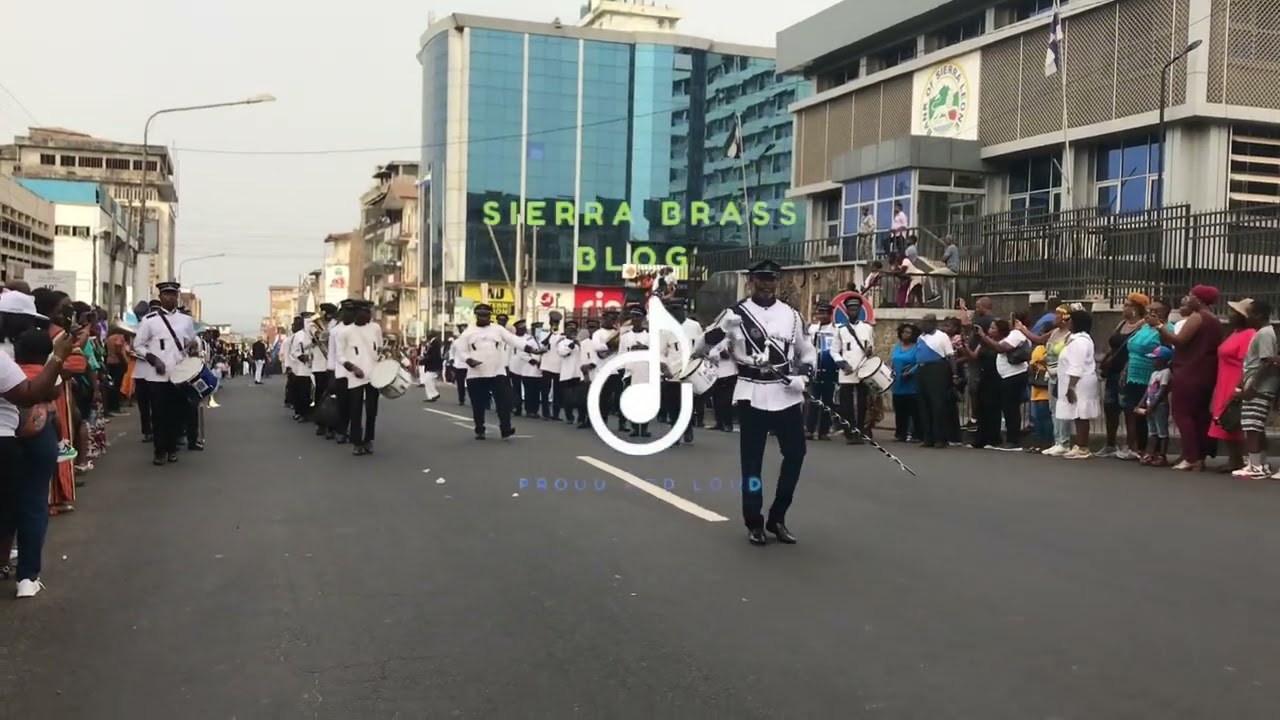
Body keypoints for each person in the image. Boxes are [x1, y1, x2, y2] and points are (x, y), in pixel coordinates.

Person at [722, 259, 817, 546]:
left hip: (785, 394)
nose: (766, 284)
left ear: (778, 281)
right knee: (752, 463)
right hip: (751, 393)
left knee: (796, 454)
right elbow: (710, 349)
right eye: (761, 278)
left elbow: (807, 351)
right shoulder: (734, 314)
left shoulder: (791, 315)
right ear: (751, 281)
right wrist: (724, 340)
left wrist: (804, 375)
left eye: (772, 278)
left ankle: (778, 516)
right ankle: (754, 521)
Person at [0, 320, 78, 598]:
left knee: (6, 508)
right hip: (33, 434)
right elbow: (45, 392)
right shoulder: (40, 369)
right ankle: (27, 578)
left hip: (9, 439)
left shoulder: (9, 360)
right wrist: (58, 359)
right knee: (33, 502)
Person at [1150, 286, 1224, 471]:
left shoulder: (1198, 317)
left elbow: (1179, 341)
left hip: (1190, 370)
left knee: (1182, 413)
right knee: (1199, 414)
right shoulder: (1214, 320)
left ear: (1199, 300)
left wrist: (1159, 325)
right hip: (1206, 371)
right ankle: (1199, 455)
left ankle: (1192, 457)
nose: (1187, 298)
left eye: (1191, 296)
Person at [133, 281, 198, 466]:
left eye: (173, 294)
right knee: (159, 415)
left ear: (177, 297)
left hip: (179, 374)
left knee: (176, 414)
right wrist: (153, 359)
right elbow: (138, 345)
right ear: (160, 297)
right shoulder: (150, 320)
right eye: (166, 294)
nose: (170, 297)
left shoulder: (186, 320)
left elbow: (191, 341)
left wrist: (192, 347)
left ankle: (172, 450)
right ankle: (159, 451)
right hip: (157, 375)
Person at [455, 303, 541, 440]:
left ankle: (505, 428)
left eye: (486, 315)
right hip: (476, 373)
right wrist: (469, 360)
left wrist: (531, 350)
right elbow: (461, 350)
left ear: (490, 316)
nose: (484, 318)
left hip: (497, 372)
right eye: (481, 315)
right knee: (478, 404)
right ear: (476, 315)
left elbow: (514, 340)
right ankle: (480, 429)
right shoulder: (468, 332)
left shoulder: (498, 330)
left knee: (504, 402)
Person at [1208, 300, 1257, 473]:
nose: (1229, 315)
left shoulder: (1249, 334)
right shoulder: (1235, 333)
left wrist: (1240, 386)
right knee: (1224, 421)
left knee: (1232, 420)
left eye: (1233, 312)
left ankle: (1239, 459)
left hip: (1235, 380)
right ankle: (1234, 458)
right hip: (1224, 380)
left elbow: (1248, 363)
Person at [1230, 300, 1276, 480]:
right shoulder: (1263, 333)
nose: (1246, 317)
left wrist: (1253, 386)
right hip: (1258, 384)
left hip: (1259, 386)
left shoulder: (1264, 334)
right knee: (1255, 424)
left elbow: (1265, 362)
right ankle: (1259, 463)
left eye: (1249, 313)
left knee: (1251, 426)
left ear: (1258, 315)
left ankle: (1255, 465)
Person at [337, 300, 383, 455]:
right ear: (357, 314)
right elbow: (340, 356)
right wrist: (352, 367)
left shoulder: (376, 328)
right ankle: (357, 442)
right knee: (355, 411)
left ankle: (369, 440)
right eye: (366, 312)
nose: (369, 316)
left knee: (372, 410)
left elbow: (380, 348)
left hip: (374, 375)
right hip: (355, 377)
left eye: (369, 312)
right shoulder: (345, 332)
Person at [829, 295, 875, 444]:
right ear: (847, 311)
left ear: (859, 310)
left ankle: (860, 431)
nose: (853, 311)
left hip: (863, 370)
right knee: (846, 404)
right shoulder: (840, 329)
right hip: (847, 370)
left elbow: (872, 346)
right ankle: (849, 432)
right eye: (850, 309)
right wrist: (842, 364)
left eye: (856, 308)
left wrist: (870, 351)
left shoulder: (868, 328)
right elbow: (834, 350)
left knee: (862, 403)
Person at [1056, 309, 1101, 459]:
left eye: (1070, 320)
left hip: (1080, 382)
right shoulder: (1075, 339)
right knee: (1077, 411)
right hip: (1077, 380)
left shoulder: (1080, 342)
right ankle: (1080, 444)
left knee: (1082, 412)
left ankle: (1083, 446)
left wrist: (1070, 387)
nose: (1067, 323)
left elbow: (1076, 365)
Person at [914, 313, 958, 448]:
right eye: (922, 322)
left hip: (938, 369)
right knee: (924, 404)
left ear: (933, 323)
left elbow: (950, 356)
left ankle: (941, 438)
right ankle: (928, 437)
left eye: (926, 323)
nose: (923, 325)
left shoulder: (942, 336)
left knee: (937, 404)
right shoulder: (920, 338)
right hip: (922, 370)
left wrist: (954, 374)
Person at [805, 303, 839, 440]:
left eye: (825, 313)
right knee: (813, 400)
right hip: (814, 368)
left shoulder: (836, 330)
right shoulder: (812, 329)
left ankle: (824, 431)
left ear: (830, 315)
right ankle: (810, 429)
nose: (822, 316)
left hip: (829, 368)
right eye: (820, 313)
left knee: (827, 401)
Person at [619, 305, 653, 438]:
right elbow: (621, 354)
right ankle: (634, 427)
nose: (635, 319)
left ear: (643, 319)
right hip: (630, 372)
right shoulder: (625, 336)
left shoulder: (650, 336)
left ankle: (644, 428)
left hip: (646, 372)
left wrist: (645, 348)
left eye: (638, 317)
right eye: (633, 317)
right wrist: (622, 371)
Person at [1137, 347, 1173, 466]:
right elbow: (1148, 390)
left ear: (1163, 360)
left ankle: (1162, 455)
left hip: (1160, 406)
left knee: (1162, 431)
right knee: (1152, 431)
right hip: (1150, 404)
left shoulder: (1166, 372)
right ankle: (1150, 452)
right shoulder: (1154, 373)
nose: (1153, 362)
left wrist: (1154, 404)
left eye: (1156, 359)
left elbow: (1163, 389)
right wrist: (1142, 402)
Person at [327, 300, 355, 443]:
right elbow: (331, 355)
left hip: (357, 375)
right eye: (345, 311)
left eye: (351, 311)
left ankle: (352, 431)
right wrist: (331, 375)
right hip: (341, 373)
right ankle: (341, 431)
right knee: (342, 404)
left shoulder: (359, 330)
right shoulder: (335, 331)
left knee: (354, 406)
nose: (348, 314)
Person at [891, 323, 921, 442]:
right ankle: (900, 434)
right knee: (899, 410)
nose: (905, 335)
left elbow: (919, 363)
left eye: (908, 332)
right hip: (897, 382)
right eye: (904, 332)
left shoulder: (916, 347)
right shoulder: (897, 347)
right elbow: (893, 361)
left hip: (910, 382)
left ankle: (916, 434)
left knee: (913, 410)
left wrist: (910, 372)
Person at [311, 304, 337, 435]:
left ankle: (332, 424)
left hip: (332, 364)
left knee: (332, 395)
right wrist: (315, 339)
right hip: (319, 365)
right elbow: (307, 343)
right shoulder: (313, 326)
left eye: (325, 313)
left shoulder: (335, 324)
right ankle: (320, 423)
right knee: (319, 394)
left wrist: (325, 335)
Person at [508, 320, 542, 416]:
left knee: (529, 390)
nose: (522, 330)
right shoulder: (512, 338)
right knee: (516, 389)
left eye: (523, 328)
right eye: (520, 328)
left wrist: (533, 361)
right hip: (514, 366)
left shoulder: (530, 339)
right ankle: (517, 408)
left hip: (527, 367)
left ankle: (530, 410)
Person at [285, 315, 314, 422]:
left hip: (316, 367)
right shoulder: (298, 336)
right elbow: (293, 351)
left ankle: (311, 412)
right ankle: (301, 412)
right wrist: (302, 357)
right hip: (301, 369)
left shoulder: (315, 333)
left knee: (312, 392)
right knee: (302, 392)